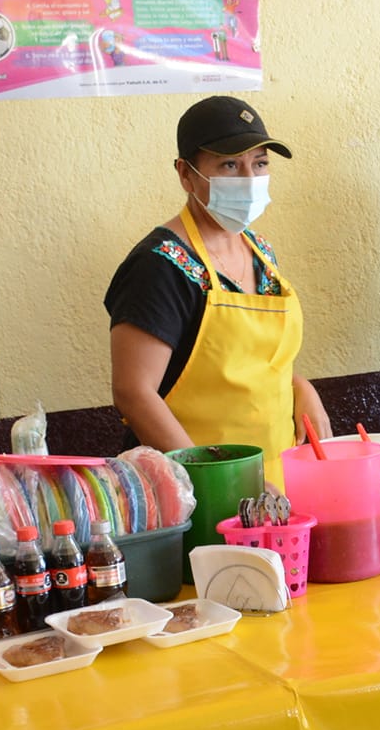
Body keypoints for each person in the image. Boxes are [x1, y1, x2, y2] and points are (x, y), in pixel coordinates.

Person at [105, 96, 329, 483]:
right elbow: (133, 392)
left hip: (271, 480)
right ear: (185, 174)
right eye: (229, 164)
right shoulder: (159, 265)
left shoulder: (261, 252)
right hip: (195, 490)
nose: (248, 178)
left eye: (259, 164)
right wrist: (210, 479)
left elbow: (250, 365)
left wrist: (300, 386)